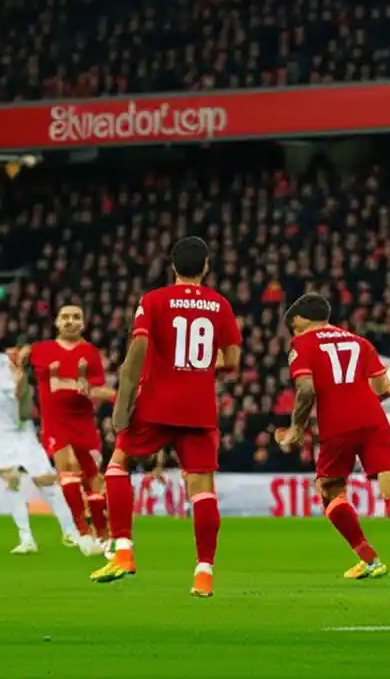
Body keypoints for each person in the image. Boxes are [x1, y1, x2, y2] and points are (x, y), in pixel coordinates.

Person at [92, 236, 242, 598]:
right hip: (198, 407)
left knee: (118, 464)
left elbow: (139, 346)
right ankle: (204, 574)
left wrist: (125, 395)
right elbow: (233, 360)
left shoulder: (154, 300)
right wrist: (202, 367)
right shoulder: (220, 305)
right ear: (205, 266)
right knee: (203, 490)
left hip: (156, 402)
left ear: (172, 265)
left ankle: (124, 551)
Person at [279, 293, 390, 582]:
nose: (294, 332)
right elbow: (385, 389)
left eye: (294, 326)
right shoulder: (360, 342)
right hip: (373, 420)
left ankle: (369, 559)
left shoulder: (302, 343)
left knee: (329, 490)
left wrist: (296, 429)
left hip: (337, 424)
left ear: (302, 320)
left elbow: (306, 389)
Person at [0, 340, 83, 553]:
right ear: (10, 350)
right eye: (20, 352)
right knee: (11, 479)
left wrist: (21, 377)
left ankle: (70, 531)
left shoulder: (33, 371)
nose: (23, 356)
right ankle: (26, 539)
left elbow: (24, 401)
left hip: (22, 428)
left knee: (45, 479)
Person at [20, 306, 114, 556]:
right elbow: (17, 365)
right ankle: (82, 533)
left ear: (83, 323)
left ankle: (102, 535)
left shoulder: (90, 354)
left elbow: (97, 389)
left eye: (76, 317)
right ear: (56, 322)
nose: (70, 321)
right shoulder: (40, 351)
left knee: (93, 479)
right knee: (69, 467)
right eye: (65, 317)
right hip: (55, 424)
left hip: (83, 422)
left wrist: (112, 395)